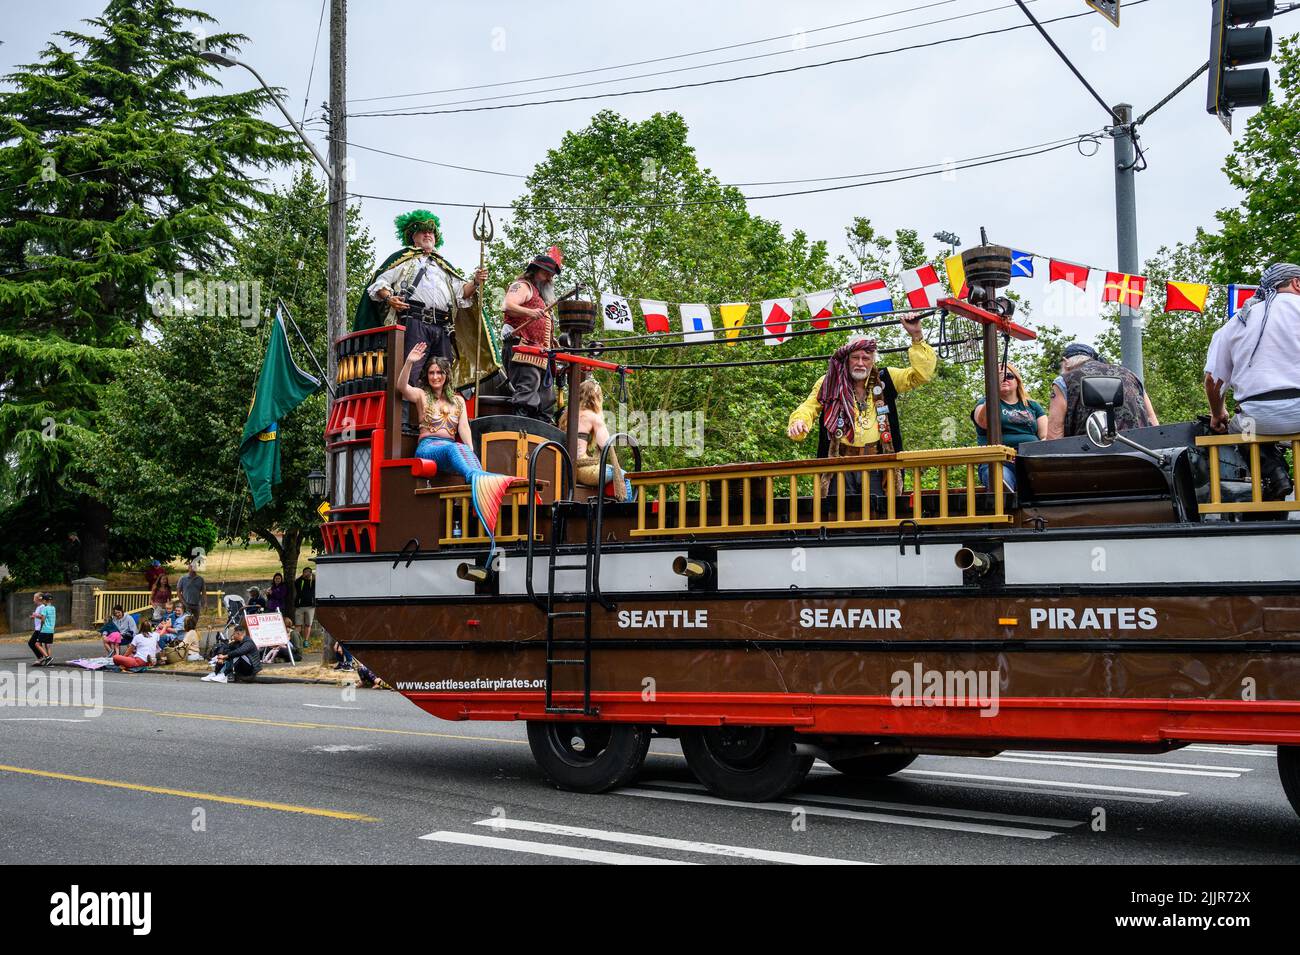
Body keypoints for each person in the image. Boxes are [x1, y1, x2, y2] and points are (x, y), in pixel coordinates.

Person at [787, 319, 936, 496]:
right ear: (846, 360)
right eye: (855, 357)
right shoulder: (829, 382)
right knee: (839, 517)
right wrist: (799, 422)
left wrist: (917, 336)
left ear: (873, 361)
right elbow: (809, 407)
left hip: (876, 466)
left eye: (866, 358)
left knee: (877, 515)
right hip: (838, 466)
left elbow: (921, 375)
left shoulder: (886, 379)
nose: (860, 363)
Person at [354, 209, 494, 390]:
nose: (428, 234)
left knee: (443, 377)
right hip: (415, 323)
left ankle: (440, 417)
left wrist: (475, 281)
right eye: (423, 230)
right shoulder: (403, 260)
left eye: (431, 231)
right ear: (413, 236)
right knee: (410, 373)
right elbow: (379, 283)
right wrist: (390, 298)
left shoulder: (443, 266)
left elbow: (462, 293)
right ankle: (403, 418)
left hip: (442, 327)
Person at [400, 342, 515, 547]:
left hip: (451, 449)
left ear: (446, 375)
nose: (435, 377)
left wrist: (470, 450)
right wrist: (409, 362)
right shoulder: (421, 395)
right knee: (455, 447)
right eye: (432, 373)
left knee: (462, 447)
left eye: (439, 372)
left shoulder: (459, 401)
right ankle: (476, 478)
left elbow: (464, 430)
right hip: (428, 448)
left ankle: (480, 487)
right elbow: (401, 387)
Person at [1205, 262, 1300, 499]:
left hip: (1258, 418)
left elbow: (1212, 381)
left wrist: (1219, 414)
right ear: (1297, 283)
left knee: (1241, 427)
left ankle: (1274, 473)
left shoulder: (1238, 321)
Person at [501, 246, 564, 421]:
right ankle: (520, 431)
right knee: (526, 395)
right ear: (534, 271)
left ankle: (542, 436)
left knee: (546, 400)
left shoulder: (540, 296)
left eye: (551, 275)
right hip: (523, 351)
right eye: (546, 274)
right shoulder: (522, 286)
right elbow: (507, 305)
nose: (549, 278)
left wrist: (552, 341)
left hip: (541, 354)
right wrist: (530, 313)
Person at [1047, 342, 1158, 439]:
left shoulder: (1064, 381)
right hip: (1140, 452)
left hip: (1088, 456)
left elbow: (1055, 433)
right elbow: (1152, 420)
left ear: (1066, 362)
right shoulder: (1130, 375)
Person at [971, 362, 1046, 492]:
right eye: (998, 376)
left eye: (1009, 376)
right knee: (998, 478)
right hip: (999, 462)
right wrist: (992, 392)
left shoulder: (1033, 406)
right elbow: (983, 422)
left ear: (1017, 380)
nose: (1004, 379)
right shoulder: (984, 403)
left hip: (1030, 462)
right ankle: (1006, 502)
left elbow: (1046, 436)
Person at [558, 378, 633, 501]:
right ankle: (626, 510)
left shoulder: (567, 415)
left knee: (613, 472)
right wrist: (600, 419)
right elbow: (605, 444)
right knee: (623, 475)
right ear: (596, 398)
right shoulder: (593, 417)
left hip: (569, 469)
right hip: (583, 470)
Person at [293, 567, 316, 648]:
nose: (306, 574)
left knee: (308, 624)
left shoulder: (313, 581)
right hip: (300, 606)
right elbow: (296, 583)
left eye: (308, 572)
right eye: (304, 572)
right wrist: (302, 577)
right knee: (298, 624)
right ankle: (297, 642)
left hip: (310, 606)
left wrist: (312, 576)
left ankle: (306, 641)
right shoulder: (300, 581)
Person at [28, 593, 51, 666]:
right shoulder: (38, 607)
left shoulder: (42, 607)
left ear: (39, 598)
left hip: (40, 629)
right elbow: (39, 616)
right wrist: (33, 616)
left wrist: (36, 615)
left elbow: (43, 617)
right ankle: (42, 658)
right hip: (37, 628)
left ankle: (42, 658)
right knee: (38, 644)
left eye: (34, 598)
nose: (33, 600)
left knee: (31, 643)